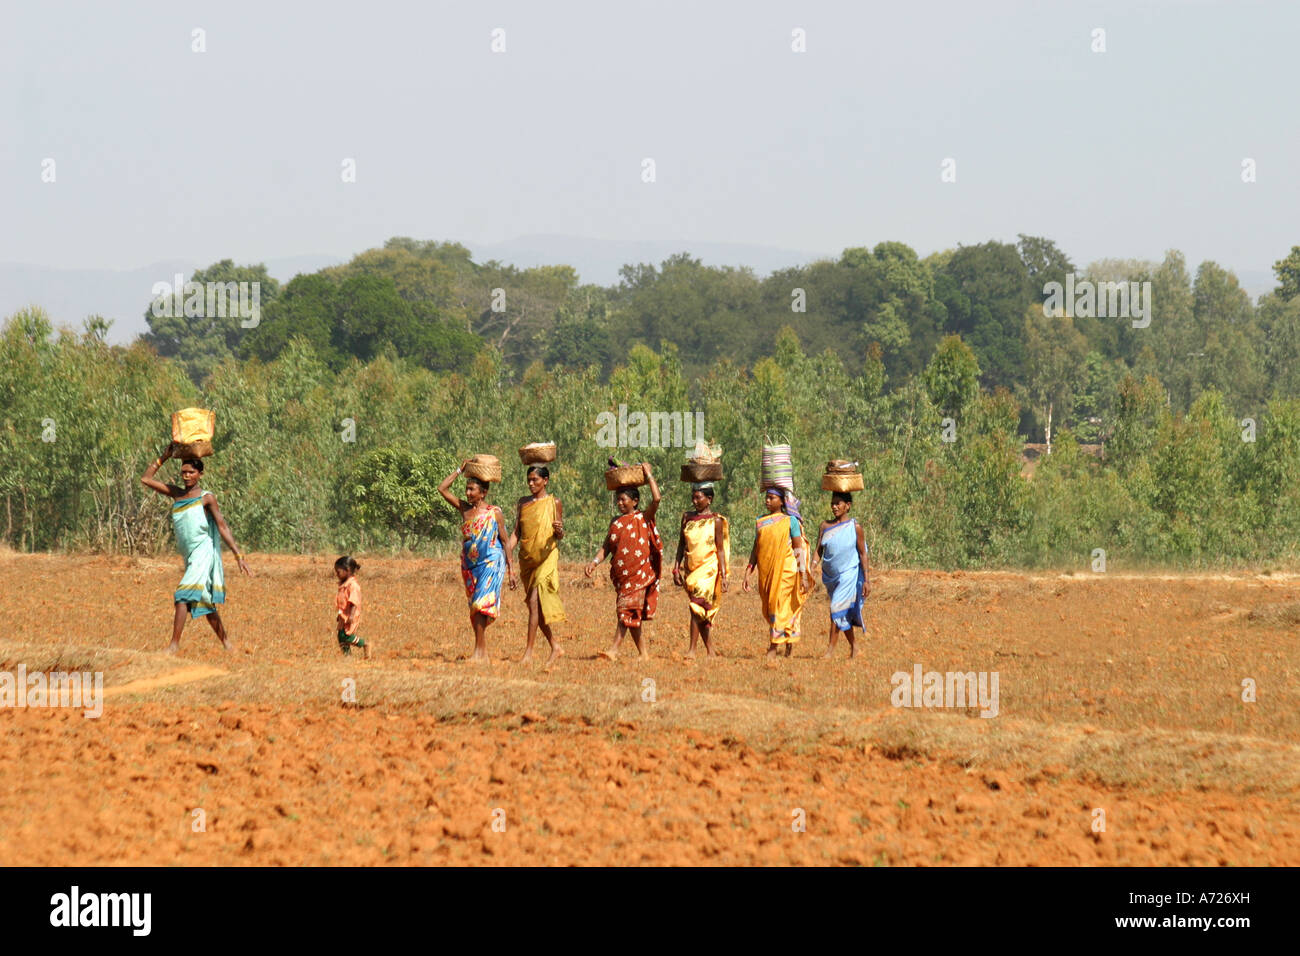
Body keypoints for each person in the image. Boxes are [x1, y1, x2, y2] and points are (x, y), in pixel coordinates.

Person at [141, 442, 250, 654]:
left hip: (204, 553)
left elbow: (222, 526)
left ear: (200, 473)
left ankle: (173, 645)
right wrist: (162, 458)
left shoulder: (206, 498)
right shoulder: (177, 494)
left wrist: (239, 555)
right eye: (183, 473)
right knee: (204, 601)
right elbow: (146, 479)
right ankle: (228, 644)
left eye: (191, 472)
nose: (186, 476)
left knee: (182, 595)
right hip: (190, 556)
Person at [439, 461, 516, 663]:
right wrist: (459, 470)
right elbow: (442, 488)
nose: (467, 493)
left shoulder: (494, 513)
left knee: (481, 605)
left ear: (483, 493)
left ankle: (479, 653)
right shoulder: (464, 509)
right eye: (467, 488)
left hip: (491, 562)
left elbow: (506, 541)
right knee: (475, 608)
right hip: (470, 566)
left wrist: (511, 570)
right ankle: (481, 653)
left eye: (472, 489)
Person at [584, 463, 661, 660]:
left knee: (624, 610)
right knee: (631, 614)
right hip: (622, 577)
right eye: (618, 500)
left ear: (635, 501)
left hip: (638, 575)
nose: (620, 503)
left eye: (623, 500)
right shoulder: (615, 523)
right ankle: (644, 654)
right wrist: (594, 562)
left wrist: (649, 475)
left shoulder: (643, 517)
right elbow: (606, 548)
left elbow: (657, 498)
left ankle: (614, 650)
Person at [742, 486, 811, 659]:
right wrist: (748, 571)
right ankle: (788, 639)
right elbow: (756, 549)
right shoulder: (760, 521)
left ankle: (773, 647)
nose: (767, 500)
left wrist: (802, 573)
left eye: (772, 498)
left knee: (779, 603)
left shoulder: (790, 521)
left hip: (786, 569)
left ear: (782, 501)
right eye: (767, 497)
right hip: (766, 572)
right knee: (772, 606)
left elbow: (798, 548)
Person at [508, 465, 565, 667]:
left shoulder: (554, 502)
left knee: (533, 603)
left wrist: (559, 530)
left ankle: (528, 654)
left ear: (546, 480)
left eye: (536, 480)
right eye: (529, 480)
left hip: (547, 557)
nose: (531, 484)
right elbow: (517, 532)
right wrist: (509, 555)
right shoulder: (523, 503)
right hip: (527, 560)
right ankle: (555, 646)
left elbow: (560, 533)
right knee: (536, 611)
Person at [671, 482, 729, 660]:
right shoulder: (686, 518)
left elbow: (720, 549)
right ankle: (711, 651)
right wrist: (676, 567)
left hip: (709, 570)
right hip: (691, 570)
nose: (694, 501)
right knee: (700, 609)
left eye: (699, 497)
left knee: (696, 607)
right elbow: (682, 544)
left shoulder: (716, 520)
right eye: (693, 497)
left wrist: (724, 574)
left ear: (709, 499)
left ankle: (692, 650)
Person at [812, 491, 869, 658]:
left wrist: (867, 580)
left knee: (835, 608)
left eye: (838, 503)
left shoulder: (855, 528)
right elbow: (818, 550)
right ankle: (854, 647)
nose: (834, 506)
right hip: (831, 577)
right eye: (833, 503)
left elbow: (863, 554)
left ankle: (830, 650)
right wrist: (813, 567)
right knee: (840, 611)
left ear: (848, 506)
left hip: (848, 576)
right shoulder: (825, 526)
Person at [334, 555, 370, 659]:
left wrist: (351, 616)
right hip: (343, 615)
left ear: (348, 570)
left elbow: (354, 602)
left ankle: (364, 644)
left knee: (347, 636)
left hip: (350, 615)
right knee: (341, 636)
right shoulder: (343, 584)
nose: (337, 574)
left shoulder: (353, 585)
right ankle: (347, 657)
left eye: (338, 572)